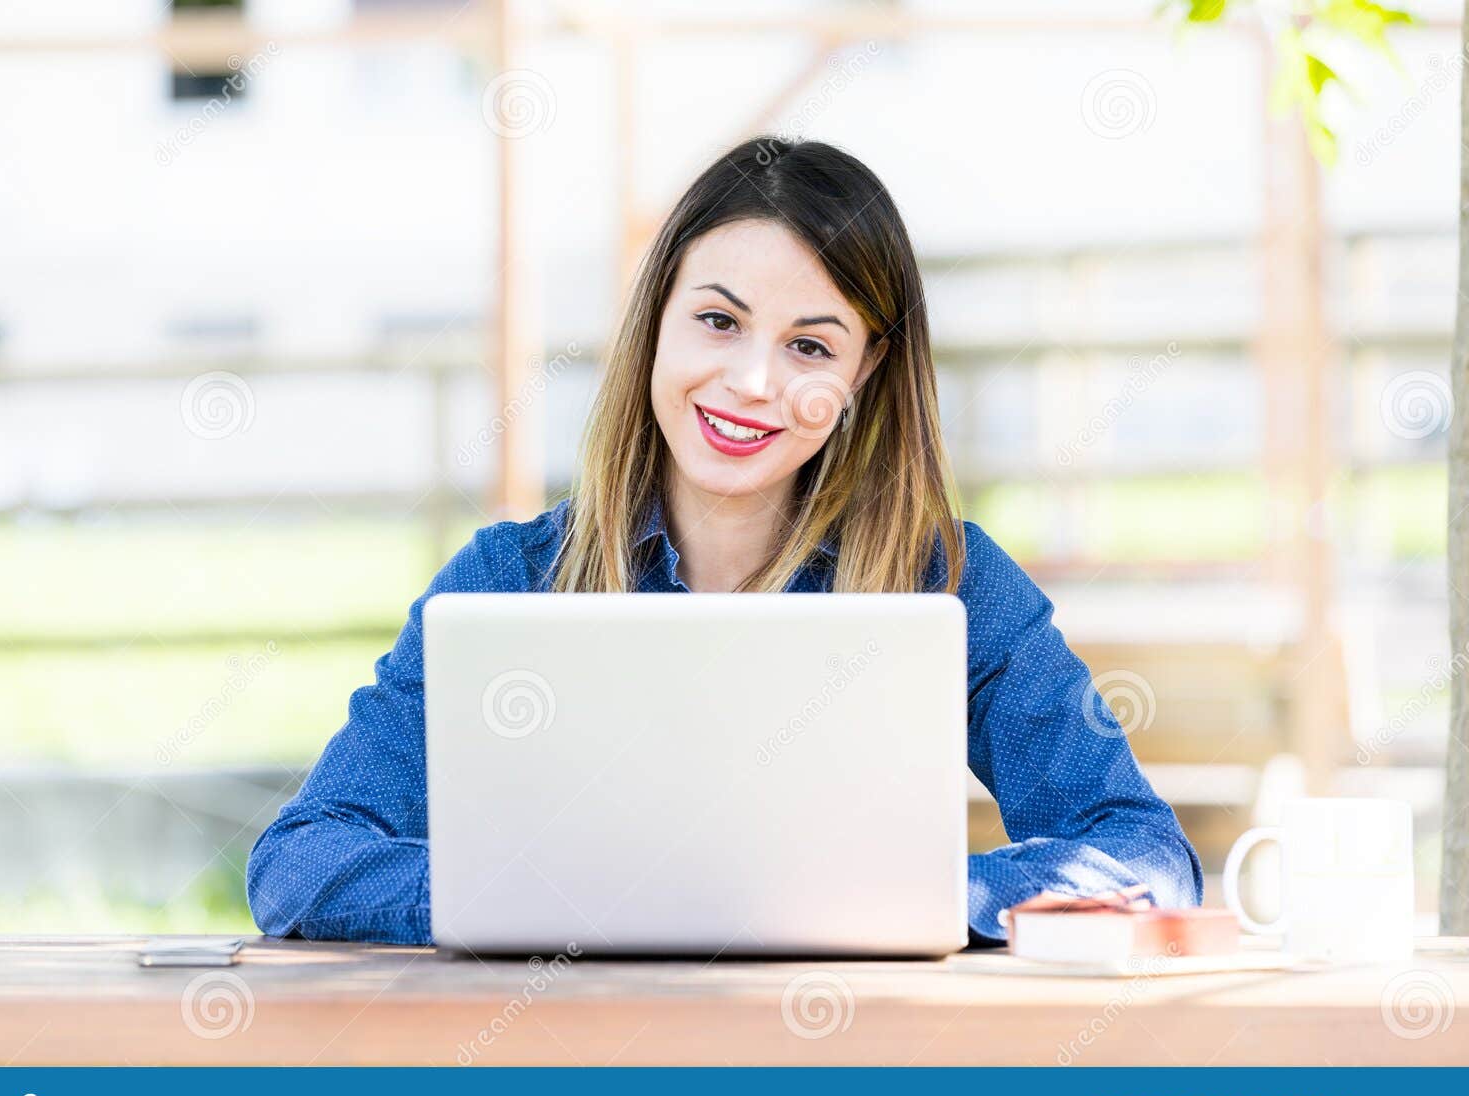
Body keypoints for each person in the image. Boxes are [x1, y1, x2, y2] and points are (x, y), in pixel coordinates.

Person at [246, 136, 1203, 947]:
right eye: (718, 320)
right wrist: (535, 900)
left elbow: (1144, 853)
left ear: (866, 371)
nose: (751, 380)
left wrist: (907, 900)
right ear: (656, 321)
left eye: (809, 345)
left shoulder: (944, 581)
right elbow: (301, 859)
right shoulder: (512, 580)